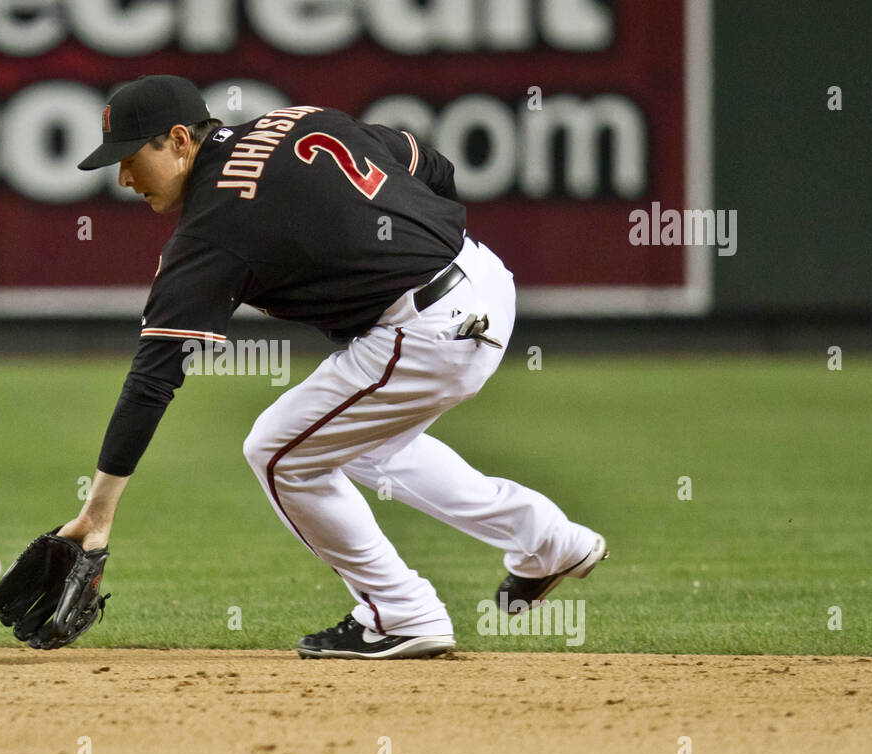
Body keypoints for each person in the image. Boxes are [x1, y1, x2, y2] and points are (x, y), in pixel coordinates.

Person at [60, 74, 607, 659]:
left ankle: (400, 612)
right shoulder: (293, 119)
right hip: (481, 279)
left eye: (130, 157)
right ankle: (548, 540)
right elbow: (429, 165)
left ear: (177, 140)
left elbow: (154, 376)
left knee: (276, 454)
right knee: (363, 445)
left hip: (425, 329)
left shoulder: (212, 227)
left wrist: (98, 513)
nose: (122, 177)